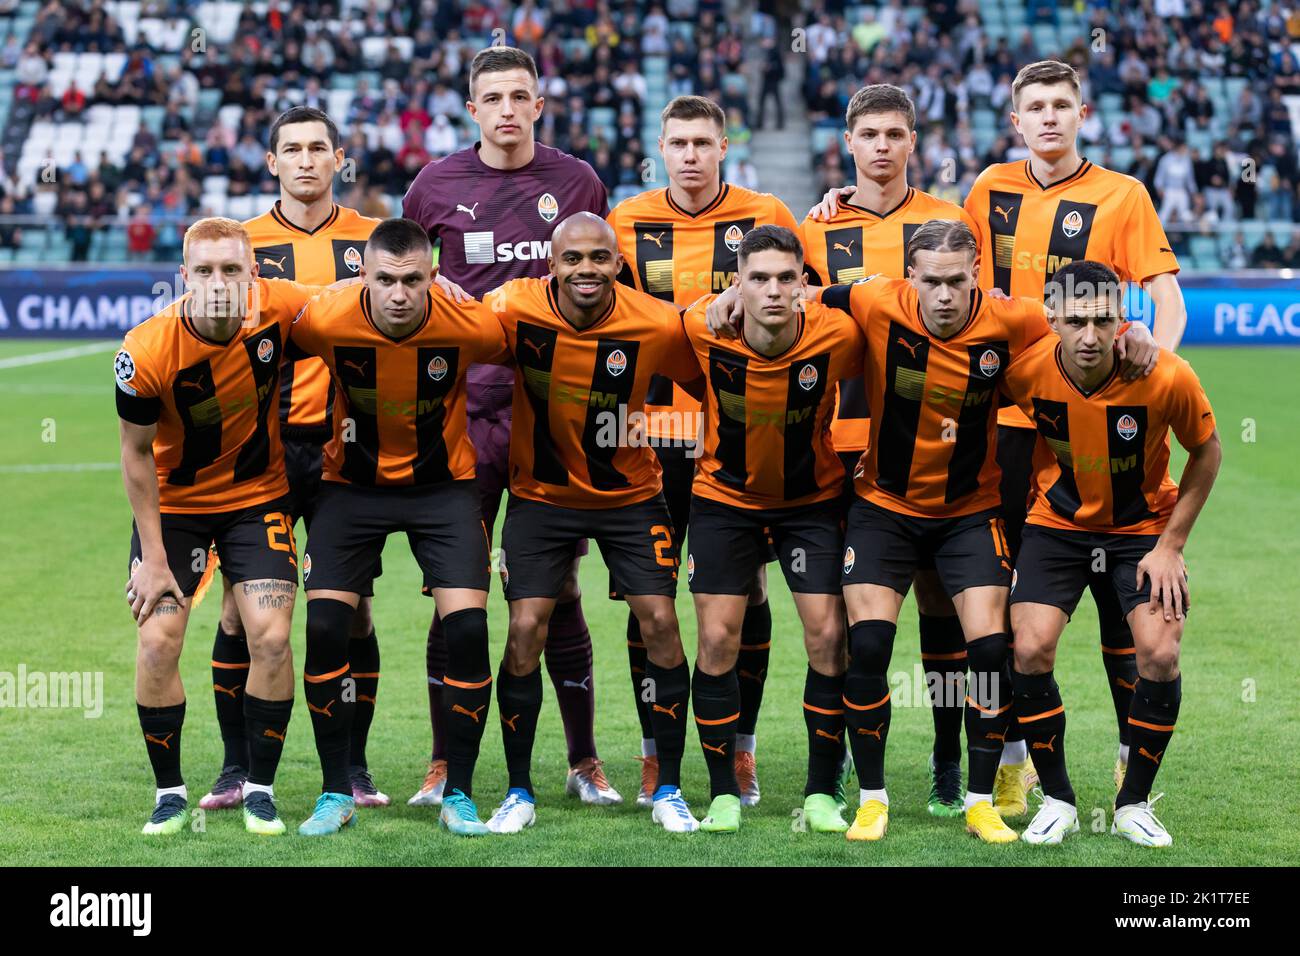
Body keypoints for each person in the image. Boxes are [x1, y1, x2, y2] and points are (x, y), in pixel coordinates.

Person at [402, 47, 617, 808]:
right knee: (455, 591)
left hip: (550, 415)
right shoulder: (433, 186)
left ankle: (584, 760)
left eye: (519, 96)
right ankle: (442, 763)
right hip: (461, 416)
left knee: (559, 589)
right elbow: (404, 284)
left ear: (538, 104)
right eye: (492, 98)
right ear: (472, 109)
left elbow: (601, 282)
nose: (506, 110)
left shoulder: (578, 182)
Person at [482, 212, 707, 834]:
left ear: (618, 264)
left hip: (631, 497)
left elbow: (711, 378)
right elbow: (450, 327)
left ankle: (668, 788)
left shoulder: (657, 322)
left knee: (660, 622)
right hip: (541, 497)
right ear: (551, 265)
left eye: (600, 258)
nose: (587, 269)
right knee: (524, 628)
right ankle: (519, 790)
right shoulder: (511, 306)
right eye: (573, 258)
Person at [200, 106, 395, 813]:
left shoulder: (375, 240)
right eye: (292, 149)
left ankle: (354, 768)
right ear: (272, 162)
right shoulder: (239, 245)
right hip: (263, 454)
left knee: (353, 613)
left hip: (348, 453)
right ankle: (237, 769)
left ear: (339, 159)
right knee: (240, 613)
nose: (306, 160)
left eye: (319, 148)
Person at [288, 218, 510, 837]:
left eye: (413, 280)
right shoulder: (326, 318)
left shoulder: (469, 323)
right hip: (350, 488)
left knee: (468, 630)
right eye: (385, 280)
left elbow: (524, 343)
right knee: (325, 627)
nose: (399, 294)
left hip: (444, 491)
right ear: (363, 275)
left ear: (434, 277)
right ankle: (336, 791)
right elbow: (269, 326)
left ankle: (459, 793)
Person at [607, 94, 798, 805]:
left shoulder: (766, 213)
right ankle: (654, 755)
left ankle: (740, 750)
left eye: (702, 143)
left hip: (737, 432)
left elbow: (804, 296)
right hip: (651, 434)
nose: (690, 155)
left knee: (748, 594)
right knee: (647, 600)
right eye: (678, 143)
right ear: (660, 148)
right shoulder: (626, 221)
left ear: (725, 146)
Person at [801, 83, 983, 819]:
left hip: (928, 451)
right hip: (834, 445)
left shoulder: (949, 221)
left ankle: (947, 759)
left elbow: (982, 324)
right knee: (847, 619)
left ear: (914, 141)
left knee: (942, 609)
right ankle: (843, 760)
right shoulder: (816, 226)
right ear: (848, 142)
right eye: (869, 134)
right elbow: (799, 316)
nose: (882, 146)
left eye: (895, 134)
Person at [1001, 260, 1220, 846]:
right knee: (1029, 647)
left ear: (1123, 317)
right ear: (1052, 318)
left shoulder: (1166, 375)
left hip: (1142, 529)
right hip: (1056, 526)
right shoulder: (1025, 372)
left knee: (1160, 654)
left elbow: (1208, 451)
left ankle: (1134, 803)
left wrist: (1172, 545)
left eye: (1103, 320)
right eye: (1076, 321)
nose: (1091, 336)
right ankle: (1057, 799)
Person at [116, 217, 316, 836]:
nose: (219, 283)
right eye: (204, 271)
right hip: (175, 508)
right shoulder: (145, 351)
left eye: (232, 269)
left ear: (254, 274)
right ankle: (168, 793)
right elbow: (135, 454)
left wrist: (439, 285)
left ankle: (260, 789)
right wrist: (153, 559)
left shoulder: (280, 308)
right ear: (184, 277)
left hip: (257, 499)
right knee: (158, 641)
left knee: (272, 638)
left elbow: (353, 304)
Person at [682, 225, 862, 834]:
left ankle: (821, 793)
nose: (774, 290)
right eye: (758, 278)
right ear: (737, 284)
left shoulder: (838, 333)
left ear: (804, 283)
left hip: (811, 504)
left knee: (828, 637)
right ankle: (723, 794)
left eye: (787, 278)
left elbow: (892, 299)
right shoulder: (702, 328)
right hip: (723, 502)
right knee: (716, 639)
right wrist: (709, 304)